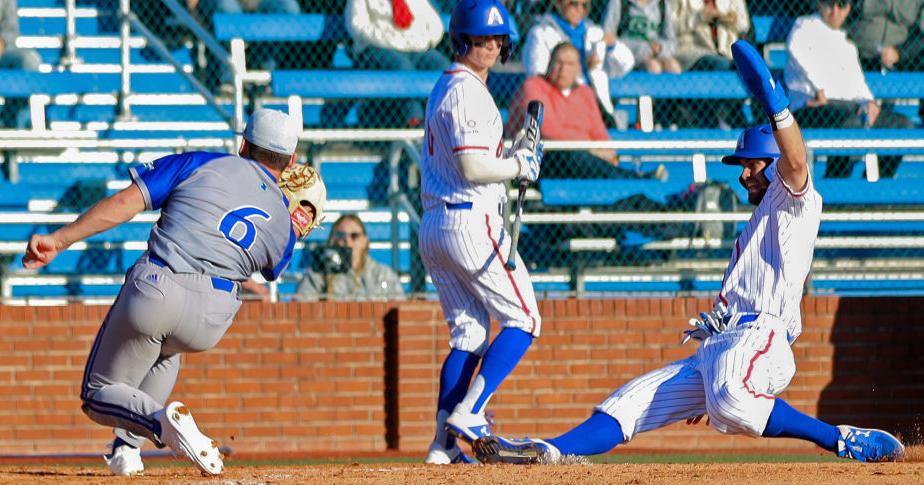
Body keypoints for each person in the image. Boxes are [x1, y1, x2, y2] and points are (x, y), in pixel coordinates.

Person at [472, 40, 906, 465]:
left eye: (751, 163)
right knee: (628, 402)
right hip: (720, 342)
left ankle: (843, 439)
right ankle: (552, 451)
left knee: (732, 401)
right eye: (743, 165)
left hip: (762, 337)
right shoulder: (757, 222)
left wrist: (776, 106)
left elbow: (795, 159)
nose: (744, 173)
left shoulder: (794, 199)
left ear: (773, 161)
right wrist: (715, 367)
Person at [21, 108, 327, 476]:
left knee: (97, 392)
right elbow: (273, 268)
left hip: (161, 286)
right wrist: (291, 221)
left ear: (243, 143)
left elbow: (123, 204)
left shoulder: (200, 163)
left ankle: (160, 424)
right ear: (291, 160)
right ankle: (126, 450)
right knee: (166, 352)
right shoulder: (280, 215)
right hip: (212, 317)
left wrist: (60, 239)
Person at [418, 0, 544, 465]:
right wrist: (517, 164)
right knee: (525, 319)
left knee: (469, 336)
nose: (489, 45)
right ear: (461, 41)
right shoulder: (468, 91)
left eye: (495, 38)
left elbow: (468, 159)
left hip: (437, 221)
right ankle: (470, 413)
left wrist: (511, 155)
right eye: (478, 38)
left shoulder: (446, 86)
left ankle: (443, 444)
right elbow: (473, 167)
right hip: (469, 220)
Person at [784, 0, 912, 178]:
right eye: (829, 4)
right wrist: (818, 89)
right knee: (852, 121)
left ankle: (875, 185)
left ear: (848, 8)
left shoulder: (846, 43)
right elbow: (798, 53)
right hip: (812, 107)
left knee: (902, 125)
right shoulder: (804, 27)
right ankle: (836, 182)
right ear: (819, 4)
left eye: (841, 5)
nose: (835, 11)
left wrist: (870, 102)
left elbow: (857, 82)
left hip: (851, 108)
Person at [506, 41, 665, 179]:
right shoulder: (534, 86)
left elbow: (600, 134)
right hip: (543, 159)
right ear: (549, 64)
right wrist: (588, 147)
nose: (562, 70)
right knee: (570, 155)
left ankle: (632, 183)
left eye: (569, 64)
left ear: (578, 69)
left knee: (581, 158)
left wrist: (605, 151)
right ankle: (635, 180)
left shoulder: (585, 93)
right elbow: (546, 130)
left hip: (582, 159)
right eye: (558, 63)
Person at [522, 0, 636, 122]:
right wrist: (581, 67)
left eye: (585, 5)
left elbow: (626, 63)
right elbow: (537, 75)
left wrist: (612, 45)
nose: (579, 9)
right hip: (562, 104)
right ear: (558, 3)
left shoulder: (593, 32)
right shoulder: (541, 33)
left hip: (596, 105)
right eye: (573, 4)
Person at [346, 0, 450, 127]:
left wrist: (424, 41)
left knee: (442, 67)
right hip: (376, 48)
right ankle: (414, 122)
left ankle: (445, 121)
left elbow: (435, 25)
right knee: (403, 67)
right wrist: (392, 40)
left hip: (413, 47)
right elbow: (357, 26)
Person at [670, 0, 751, 128]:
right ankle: (722, 117)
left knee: (744, 67)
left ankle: (725, 116)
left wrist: (733, 19)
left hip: (726, 52)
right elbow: (671, 26)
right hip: (692, 52)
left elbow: (744, 24)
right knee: (720, 66)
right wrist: (700, 17)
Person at [293, 214, 405, 301]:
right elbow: (300, 306)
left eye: (354, 236)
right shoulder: (318, 274)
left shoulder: (381, 274)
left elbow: (399, 307)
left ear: (365, 241)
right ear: (333, 239)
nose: (347, 241)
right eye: (341, 235)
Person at [602, 0, 682, 74]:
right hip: (630, 54)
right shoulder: (619, 2)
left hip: (655, 54)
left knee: (673, 67)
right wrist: (642, 48)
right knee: (653, 67)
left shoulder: (662, 4)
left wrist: (661, 47)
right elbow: (607, 37)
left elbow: (671, 41)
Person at [850, 0, 924, 72]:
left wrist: (899, 53)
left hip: (893, 61)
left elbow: (921, 37)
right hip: (856, 50)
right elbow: (845, 7)